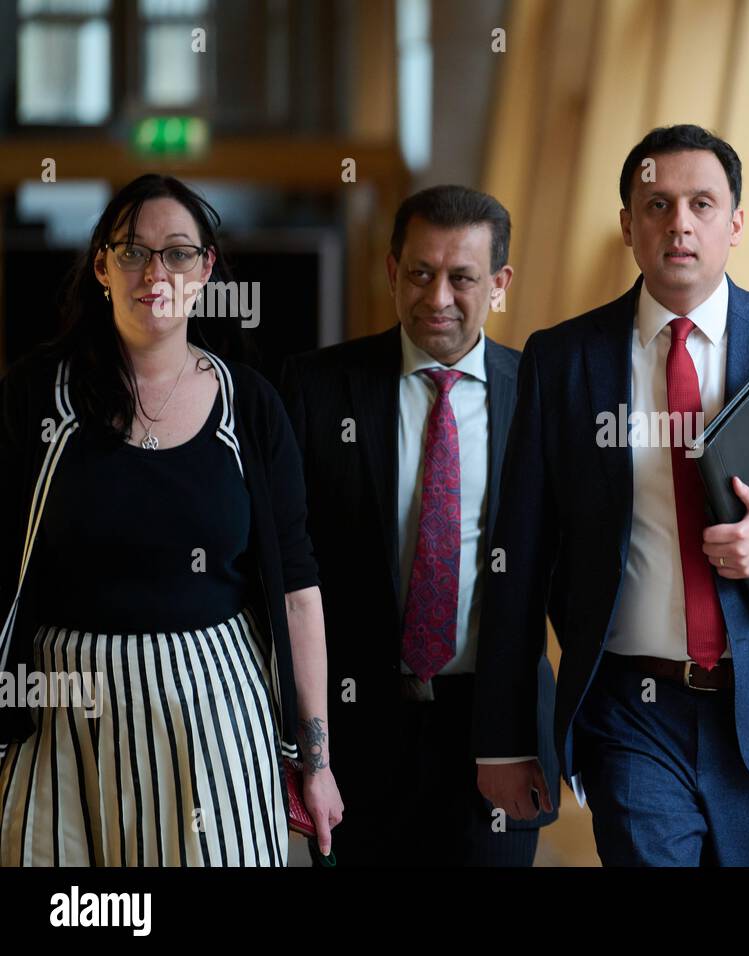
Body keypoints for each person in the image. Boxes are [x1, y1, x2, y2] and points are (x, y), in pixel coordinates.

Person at [473, 124, 749, 866]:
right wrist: (505, 736)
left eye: (701, 204)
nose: (678, 223)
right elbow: (517, 556)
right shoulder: (564, 359)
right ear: (627, 225)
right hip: (629, 712)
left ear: (735, 224)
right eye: (656, 204)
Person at [0, 174, 343, 866]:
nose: (155, 272)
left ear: (206, 268)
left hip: (214, 709)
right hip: (59, 712)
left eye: (178, 253)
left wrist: (317, 759)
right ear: (101, 265)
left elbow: (299, 594)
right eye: (132, 252)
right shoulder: (36, 394)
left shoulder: (251, 406)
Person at [280, 185, 559, 866]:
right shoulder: (315, 390)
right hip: (355, 733)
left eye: (461, 278)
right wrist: (302, 744)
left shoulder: (544, 398)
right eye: (419, 274)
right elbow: (285, 566)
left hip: (496, 728)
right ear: (390, 271)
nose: (437, 298)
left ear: (500, 283)